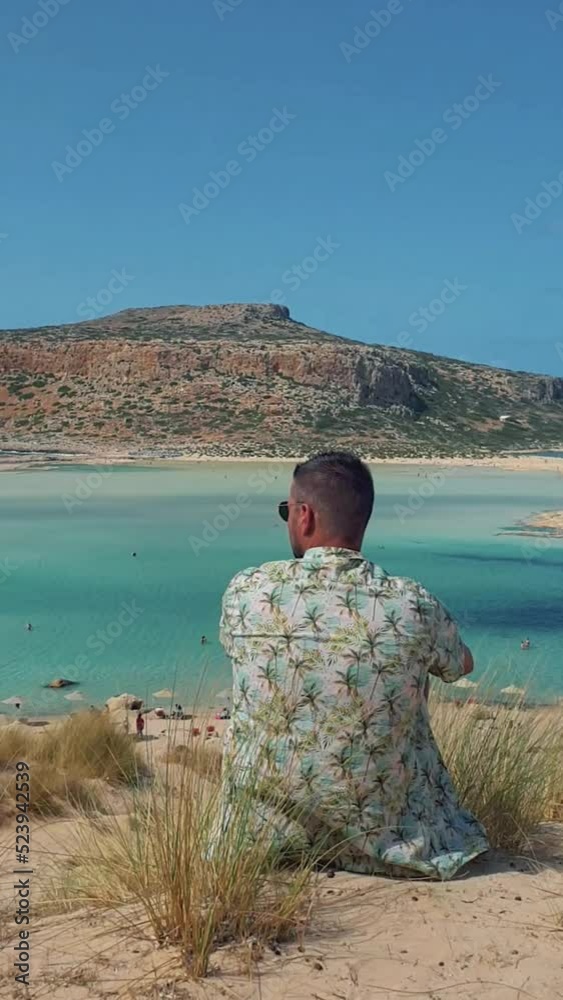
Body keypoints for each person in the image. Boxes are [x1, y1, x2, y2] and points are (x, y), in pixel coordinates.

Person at [219, 451, 489, 880]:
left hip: (256, 841)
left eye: (287, 511)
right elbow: (463, 665)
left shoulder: (247, 591)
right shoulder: (411, 603)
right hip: (393, 846)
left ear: (304, 516)